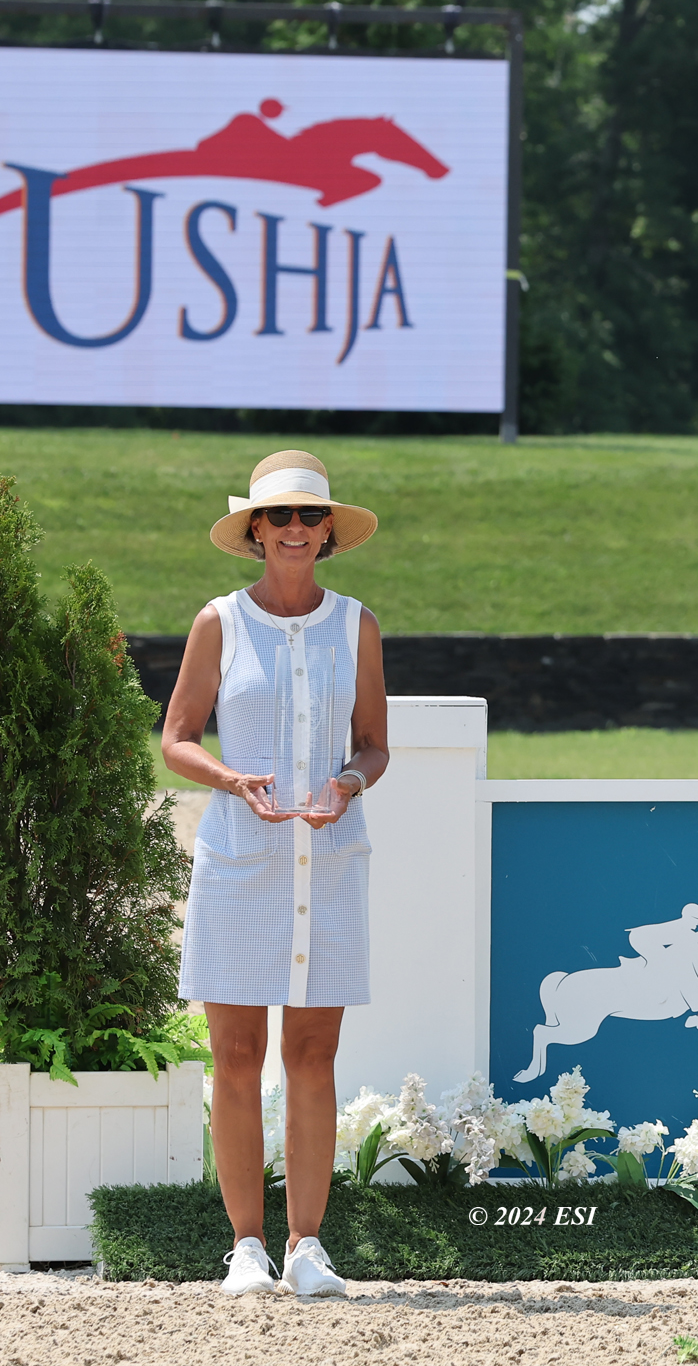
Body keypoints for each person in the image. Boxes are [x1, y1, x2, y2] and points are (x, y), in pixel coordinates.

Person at [162, 450, 388, 1298]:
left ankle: (307, 1248)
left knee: (313, 1051)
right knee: (236, 1053)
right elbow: (177, 737)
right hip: (240, 862)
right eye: (280, 516)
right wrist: (231, 780)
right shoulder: (218, 622)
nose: (296, 528)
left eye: (310, 515)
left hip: (328, 861)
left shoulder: (357, 625)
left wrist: (350, 782)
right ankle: (246, 1248)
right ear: (255, 529)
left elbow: (375, 744)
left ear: (328, 531)